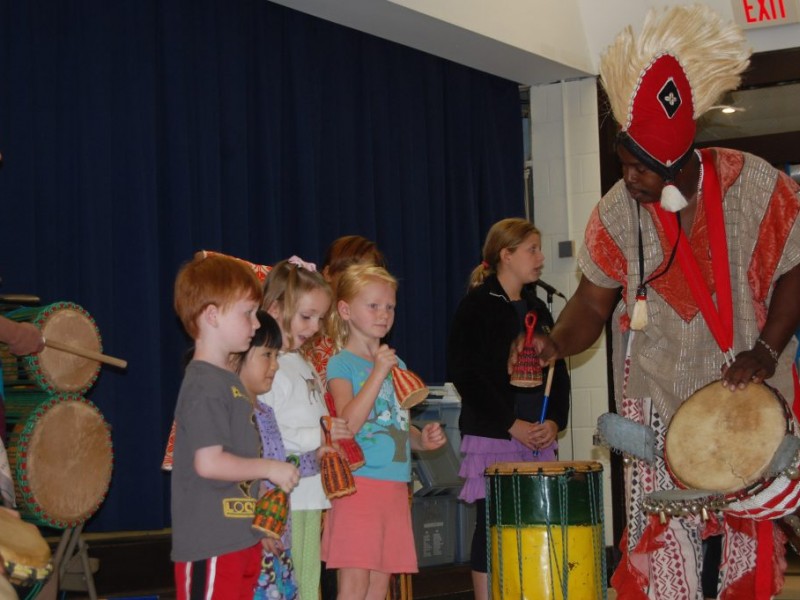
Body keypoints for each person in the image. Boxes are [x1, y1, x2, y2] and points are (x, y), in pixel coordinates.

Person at [533, 5, 800, 599]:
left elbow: (796, 268)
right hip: (658, 415)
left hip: (747, 400)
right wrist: (553, 343)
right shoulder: (615, 211)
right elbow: (591, 306)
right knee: (666, 562)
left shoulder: (755, 184)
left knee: (741, 555)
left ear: (678, 163)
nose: (628, 177)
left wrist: (766, 347)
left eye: (639, 168)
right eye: (625, 162)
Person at [446, 217, 570, 600]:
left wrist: (553, 420)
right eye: (532, 249)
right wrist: (509, 423)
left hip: (535, 433)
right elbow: (466, 374)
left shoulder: (538, 309)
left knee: (534, 520)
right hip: (494, 434)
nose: (541, 257)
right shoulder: (478, 306)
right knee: (492, 521)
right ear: (506, 254)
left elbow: (559, 372)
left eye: (539, 248)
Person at [171, 252, 300, 599]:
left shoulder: (229, 385)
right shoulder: (204, 384)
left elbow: (241, 472)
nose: (256, 325)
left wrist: (260, 526)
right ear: (211, 316)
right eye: (247, 314)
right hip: (210, 543)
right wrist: (270, 467)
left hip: (240, 538)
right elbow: (209, 462)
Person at [321, 264, 447, 600]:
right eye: (373, 305)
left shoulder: (397, 364)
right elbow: (348, 424)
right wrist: (377, 373)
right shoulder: (341, 364)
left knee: (380, 585)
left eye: (389, 306)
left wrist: (423, 439)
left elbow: (398, 424)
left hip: (394, 486)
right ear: (345, 310)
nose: (384, 314)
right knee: (355, 584)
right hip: (359, 486)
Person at [259, 257, 351, 600]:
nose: (314, 327)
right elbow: (268, 436)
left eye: (320, 318)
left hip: (311, 492)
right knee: (286, 580)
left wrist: (325, 441)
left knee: (309, 578)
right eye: (306, 316)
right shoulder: (270, 366)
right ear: (274, 307)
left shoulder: (301, 360)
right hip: (286, 497)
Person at [231, 310, 331, 600]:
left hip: (276, 538)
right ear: (236, 357)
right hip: (250, 541)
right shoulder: (236, 415)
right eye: (267, 355)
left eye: (277, 356)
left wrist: (317, 456)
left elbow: (285, 463)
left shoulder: (265, 414)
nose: (275, 365)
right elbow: (238, 482)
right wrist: (258, 530)